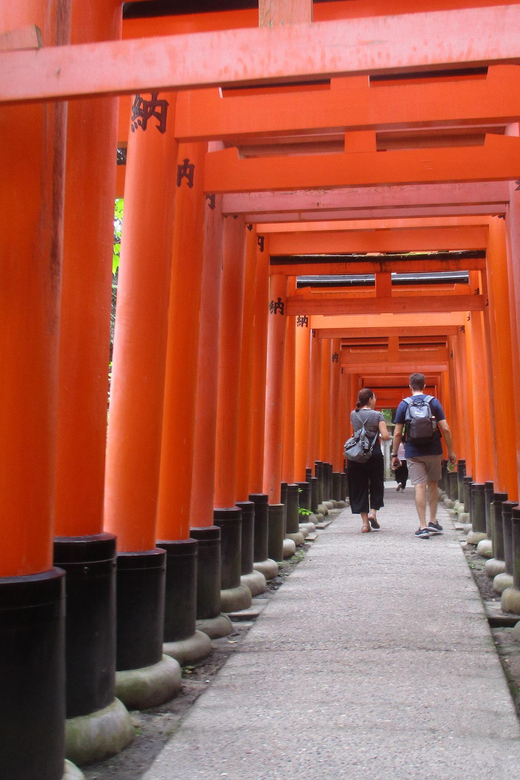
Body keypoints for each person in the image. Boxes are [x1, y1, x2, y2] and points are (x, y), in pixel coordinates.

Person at [391, 372, 456, 539]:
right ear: (425, 386)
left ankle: (423, 526)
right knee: (433, 484)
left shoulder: (404, 404)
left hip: (413, 452)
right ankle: (433, 521)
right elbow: (446, 428)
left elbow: (398, 433)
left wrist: (394, 454)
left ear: (410, 386)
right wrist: (451, 451)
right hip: (434, 449)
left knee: (419, 486)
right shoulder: (433, 402)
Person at [347, 388, 390, 533]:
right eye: (375, 398)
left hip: (357, 455)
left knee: (359, 487)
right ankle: (373, 512)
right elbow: (384, 436)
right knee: (376, 484)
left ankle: (365, 524)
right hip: (373, 454)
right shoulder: (378, 415)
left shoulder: (353, 414)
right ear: (370, 399)